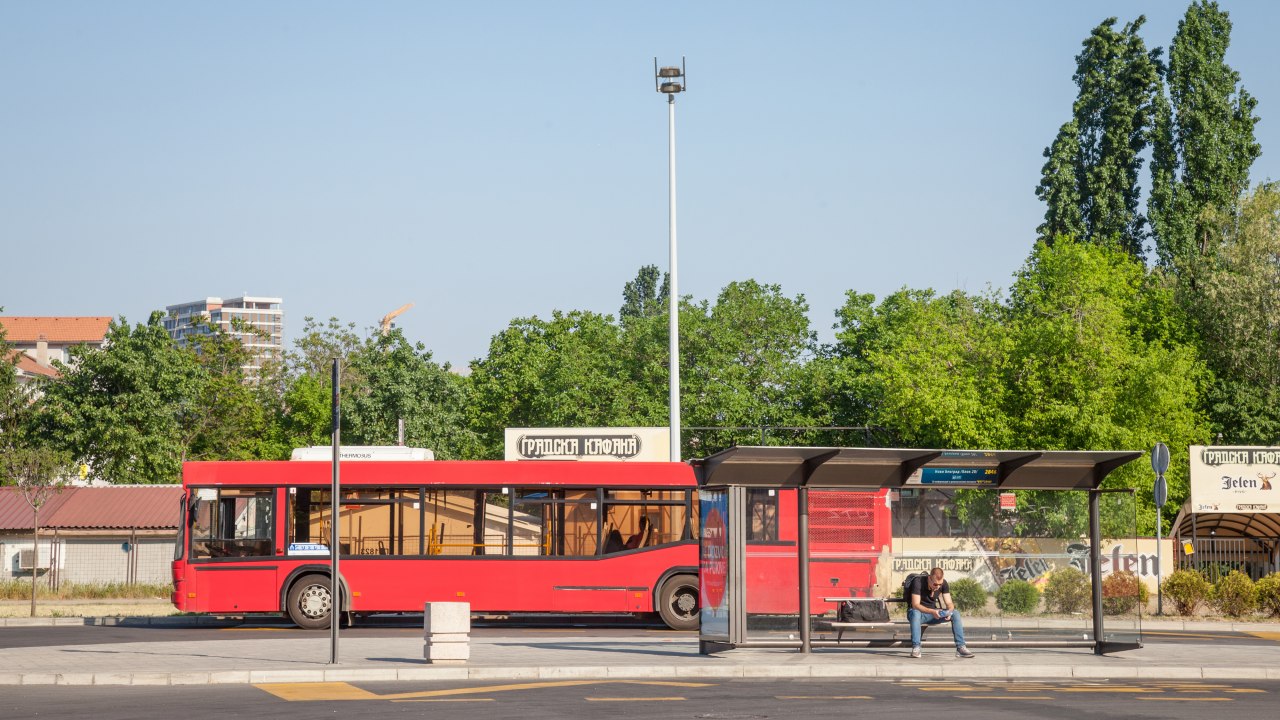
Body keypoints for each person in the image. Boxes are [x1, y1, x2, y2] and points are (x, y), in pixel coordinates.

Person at [907, 567, 974, 659]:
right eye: (935, 584)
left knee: (956, 613)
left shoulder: (943, 583)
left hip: (933, 614)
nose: (938, 587)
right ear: (929, 578)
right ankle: (916, 648)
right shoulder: (918, 582)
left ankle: (961, 647)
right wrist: (932, 611)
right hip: (919, 614)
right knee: (915, 613)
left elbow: (949, 603)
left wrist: (949, 611)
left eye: (940, 584)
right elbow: (915, 605)